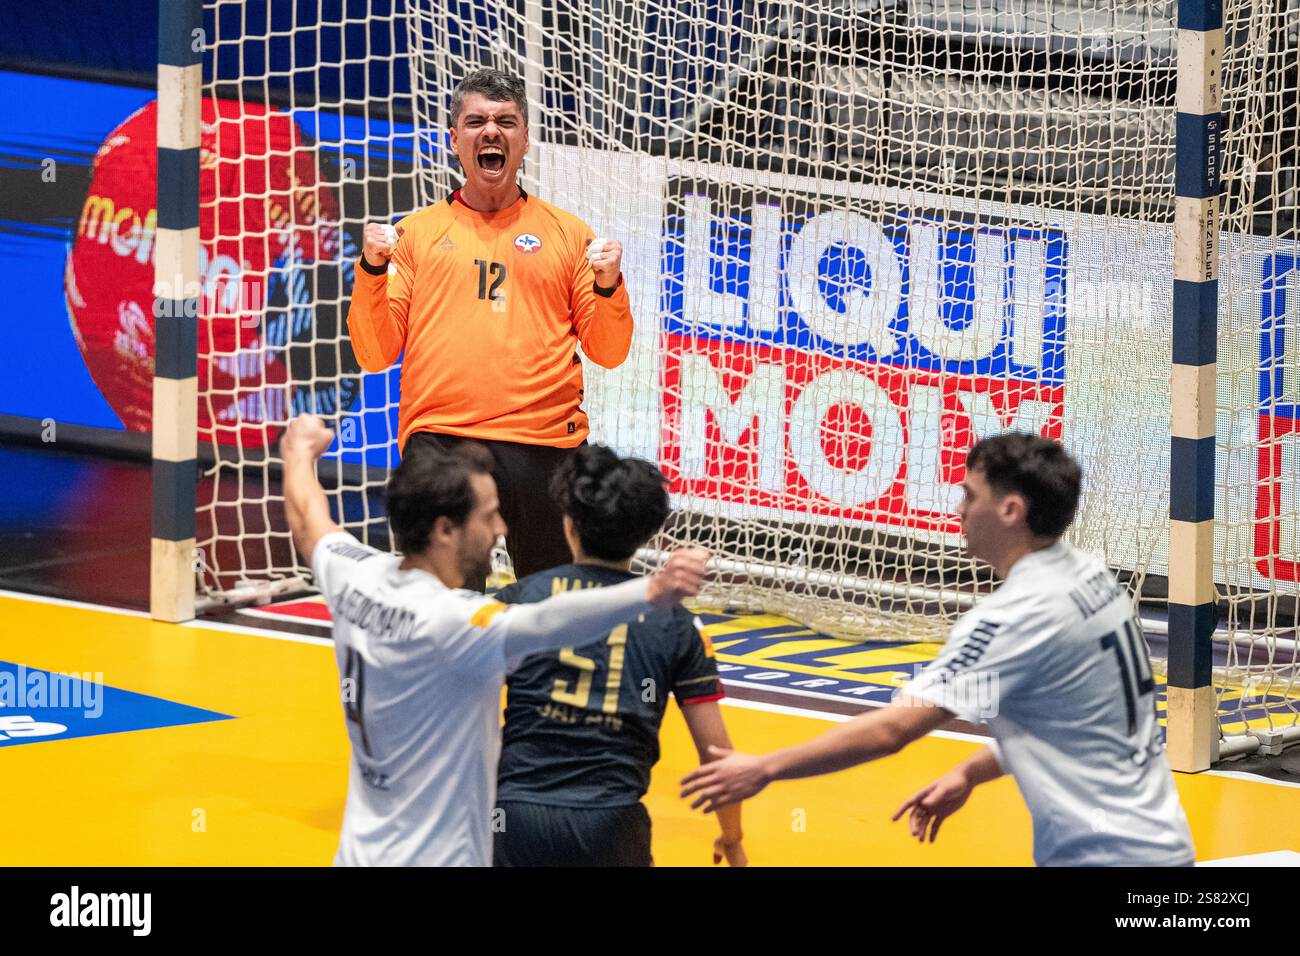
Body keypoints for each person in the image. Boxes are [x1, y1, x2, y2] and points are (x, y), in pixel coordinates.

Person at [680, 432, 1196, 867]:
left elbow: (892, 729)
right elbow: (1079, 723)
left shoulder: (1014, 616)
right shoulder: (1091, 577)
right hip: (1161, 844)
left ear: (1011, 509)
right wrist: (971, 771)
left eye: (971, 495)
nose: (959, 509)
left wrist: (762, 769)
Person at [279, 413, 708, 866]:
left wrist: (299, 452)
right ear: (446, 529)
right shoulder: (457, 624)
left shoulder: (356, 577)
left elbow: (310, 522)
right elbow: (550, 621)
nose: (501, 527)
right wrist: (652, 590)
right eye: (488, 515)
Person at [346, 67, 633, 582]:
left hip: (545, 444)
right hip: (443, 441)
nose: (491, 132)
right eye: (476, 121)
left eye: (506, 121)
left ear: (525, 140)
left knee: (553, 612)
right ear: (453, 140)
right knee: (439, 609)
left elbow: (610, 352)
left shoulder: (570, 235)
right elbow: (373, 354)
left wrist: (610, 283)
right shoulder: (414, 235)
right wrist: (369, 269)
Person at [491, 445, 746, 867]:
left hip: (515, 815)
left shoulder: (518, 600)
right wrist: (732, 837)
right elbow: (717, 752)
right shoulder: (675, 623)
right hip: (610, 824)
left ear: (569, 525)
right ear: (645, 534)